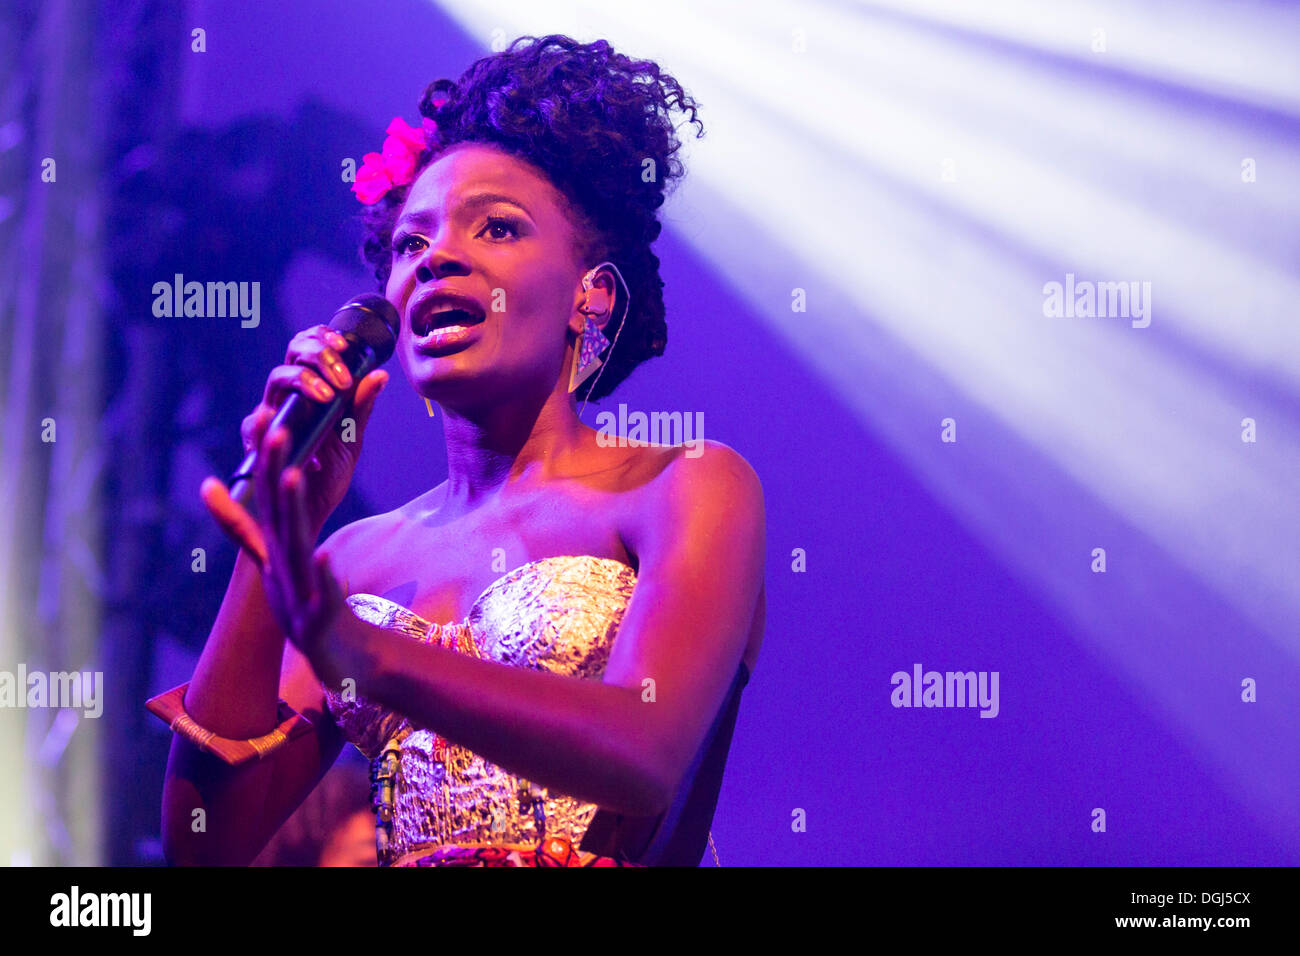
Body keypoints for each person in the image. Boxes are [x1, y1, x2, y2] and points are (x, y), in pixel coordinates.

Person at [154, 34, 765, 867]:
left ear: (593, 294)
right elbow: (206, 850)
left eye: (498, 228)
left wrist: (366, 653)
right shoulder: (352, 560)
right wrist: (267, 533)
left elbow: (644, 757)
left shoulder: (684, 488)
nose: (437, 258)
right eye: (411, 244)